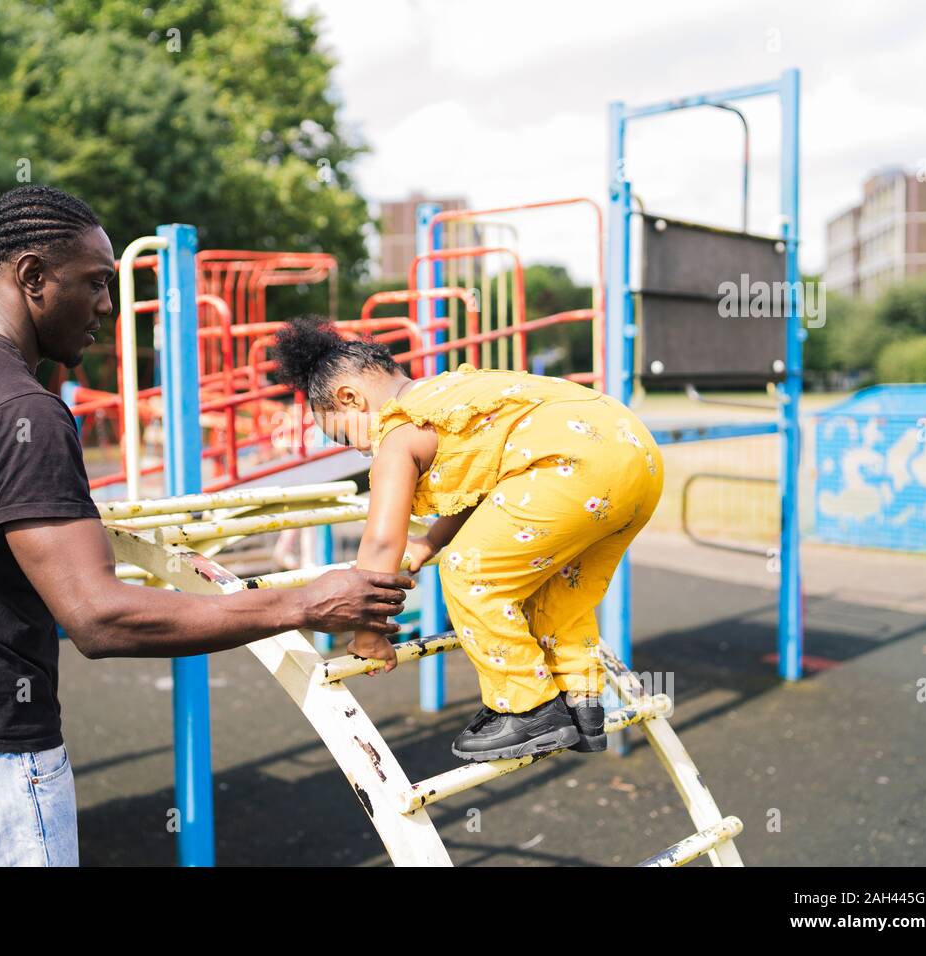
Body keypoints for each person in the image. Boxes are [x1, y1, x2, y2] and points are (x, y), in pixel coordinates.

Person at [0, 186, 412, 866]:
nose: (108, 307)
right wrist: (304, 602)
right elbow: (99, 618)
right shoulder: (20, 411)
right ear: (32, 276)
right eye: (93, 284)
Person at [269, 317, 663, 762]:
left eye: (344, 435)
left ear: (350, 398)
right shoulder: (456, 398)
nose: (359, 451)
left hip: (574, 464)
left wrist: (369, 633)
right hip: (634, 455)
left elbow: (380, 544)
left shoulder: (399, 431)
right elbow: (491, 493)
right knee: (560, 590)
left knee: (472, 572)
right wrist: (430, 541)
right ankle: (581, 700)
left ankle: (527, 706)